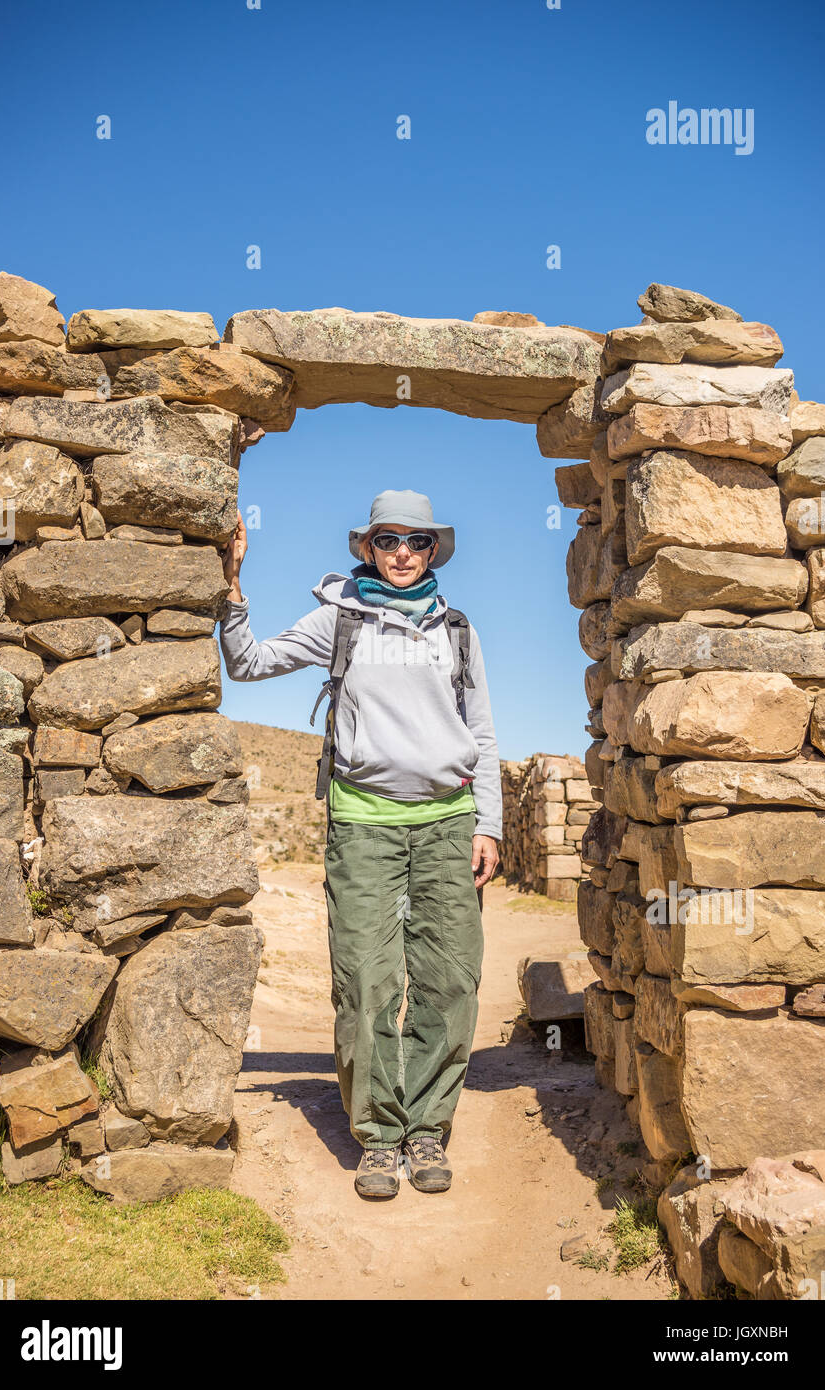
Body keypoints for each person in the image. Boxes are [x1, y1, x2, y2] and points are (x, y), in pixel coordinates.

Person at [219, 489, 502, 1199]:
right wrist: (230, 592)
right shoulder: (338, 620)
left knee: (448, 983)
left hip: (447, 824)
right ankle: (378, 1138)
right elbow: (249, 664)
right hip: (363, 825)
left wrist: (488, 822)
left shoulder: (457, 630)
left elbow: (484, 735)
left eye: (416, 542)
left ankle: (427, 1128)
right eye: (388, 541)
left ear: (433, 550)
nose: (402, 553)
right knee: (367, 982)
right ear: (365, 549)